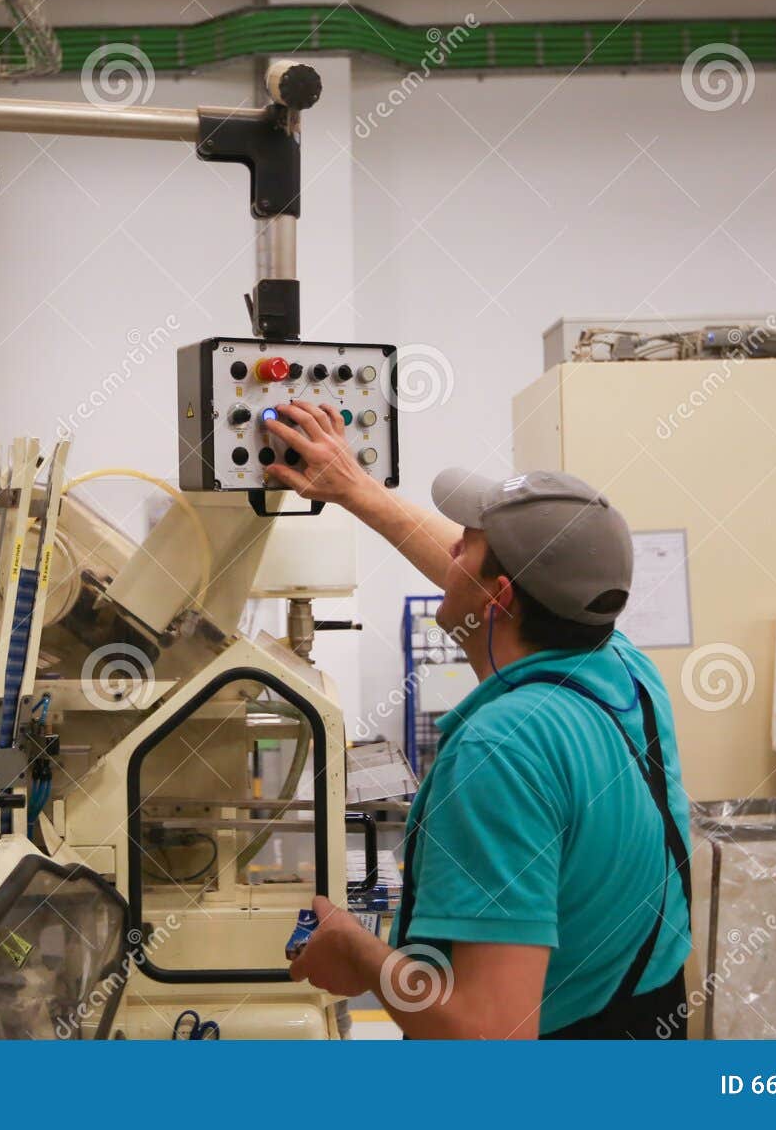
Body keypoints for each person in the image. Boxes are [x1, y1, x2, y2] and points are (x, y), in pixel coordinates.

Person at [260, 401, 691, 1040]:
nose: (451, 548)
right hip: (644, 1018)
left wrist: (359, 952)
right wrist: (355, 489)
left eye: (467, 544)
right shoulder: (621, 668)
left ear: (498, 597)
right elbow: (502, 577)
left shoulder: (503, 750)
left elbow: (489, 1037)